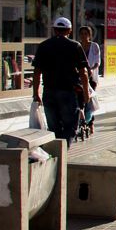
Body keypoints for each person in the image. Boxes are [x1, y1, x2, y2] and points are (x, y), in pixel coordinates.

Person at [32, 17, 90, 147]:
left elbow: (37, 72)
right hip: (68, 92)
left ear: (54, 30)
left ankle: (55, 156)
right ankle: (63, 152)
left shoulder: (43, 46)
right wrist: (86, 93)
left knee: (53, 128)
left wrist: (36, 93)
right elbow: (84, 72)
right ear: (69, 30)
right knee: (70, 127)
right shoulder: (75, 46)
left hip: (49, 92)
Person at [79, 26, 101, 134]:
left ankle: (91, 122)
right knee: (81, 100)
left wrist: (91, 69)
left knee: (89, 100)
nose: (84, 36)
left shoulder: (94, 46)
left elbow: (97, 62)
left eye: (86, 33)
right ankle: (82, 121)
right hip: (80, 77)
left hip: (91, 77)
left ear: (89, 35)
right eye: (82, 33)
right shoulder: (77, 46)